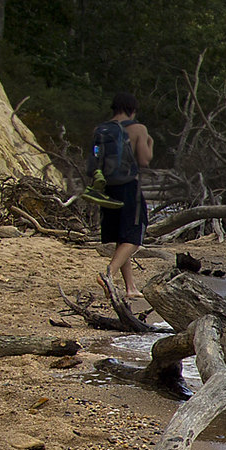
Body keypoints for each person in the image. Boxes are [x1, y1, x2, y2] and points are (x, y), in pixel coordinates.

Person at [98, 93, 153, 299]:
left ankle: (130, 287)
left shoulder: (102, 129)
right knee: (134, 236)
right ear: (132, 109)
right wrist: (150, 143)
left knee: (121, 238)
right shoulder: (137, 128)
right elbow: (144, 160)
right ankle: (108, 275)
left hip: (108, 186)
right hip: (128, 185)